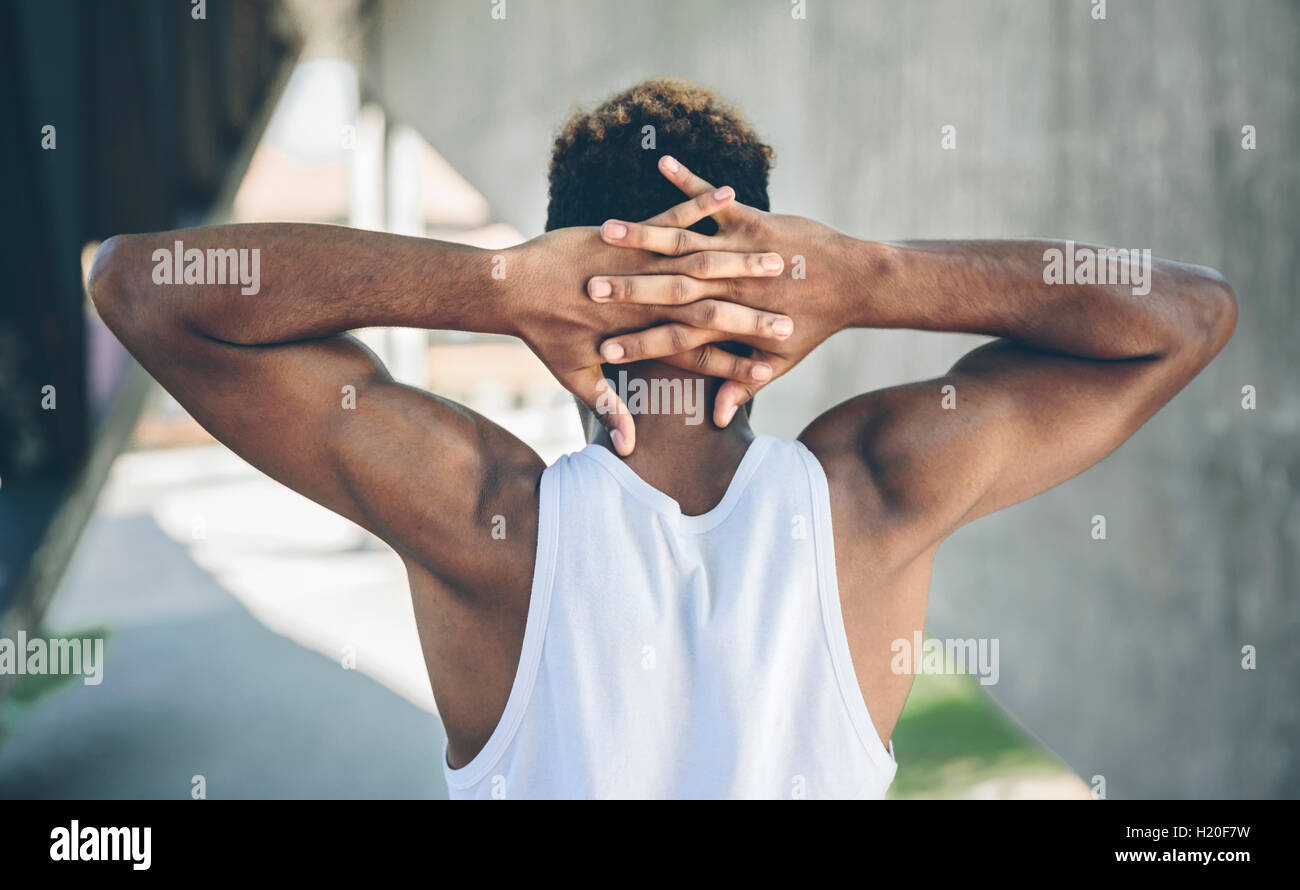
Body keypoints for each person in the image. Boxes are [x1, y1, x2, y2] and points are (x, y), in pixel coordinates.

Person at [88, 78, 1236, 799]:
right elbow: (1187, 317)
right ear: (771, 271)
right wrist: (873, 276)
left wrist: (487, 287)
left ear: (562, 274)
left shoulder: (486, 517)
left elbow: (143, 287)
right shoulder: (878, 490)